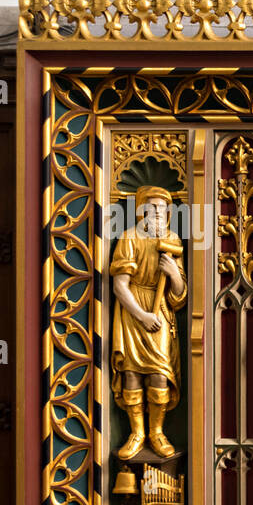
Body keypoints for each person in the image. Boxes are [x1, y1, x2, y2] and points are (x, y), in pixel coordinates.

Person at [111, 185, 186, 460]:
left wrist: (173, 274)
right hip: (133, 312)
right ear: (141, 211)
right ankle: (137, 433)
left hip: (161, 311)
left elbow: (179, 295)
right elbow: (120, 285)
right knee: (131, 373)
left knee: (159, 373)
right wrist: (142, 316)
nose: (158, 213)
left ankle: (157, 432)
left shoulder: (173, 241)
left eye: (163, 209)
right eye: (152, 208)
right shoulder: (129, 238)